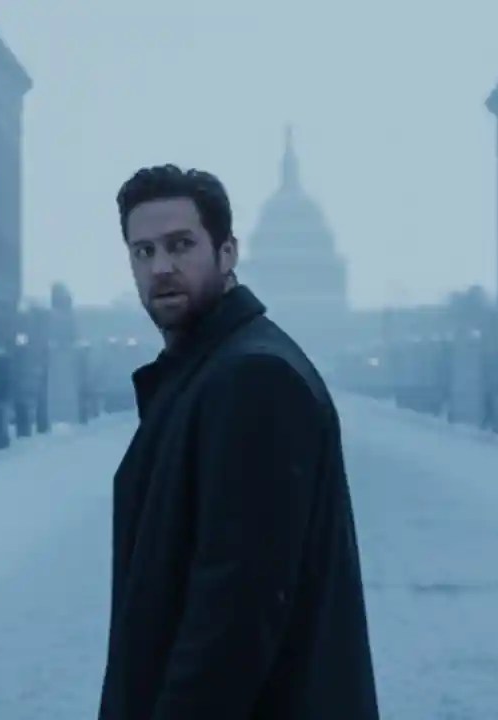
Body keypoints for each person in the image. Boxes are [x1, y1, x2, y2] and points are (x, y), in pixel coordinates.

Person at [98, 164, 380, 719]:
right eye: (144, 252)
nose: (162, 268)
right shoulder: (211, 373)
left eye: (180, 245)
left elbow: (234, 612)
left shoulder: (252, 379)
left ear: (226, 253)